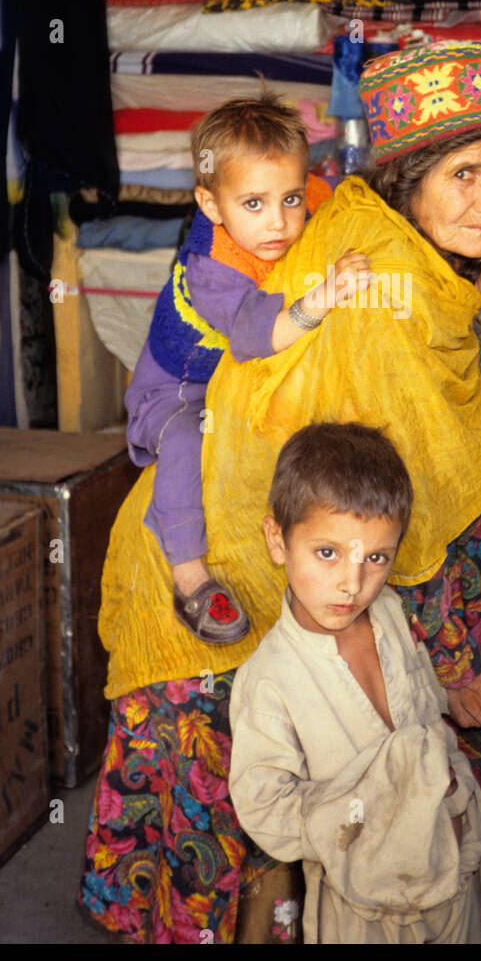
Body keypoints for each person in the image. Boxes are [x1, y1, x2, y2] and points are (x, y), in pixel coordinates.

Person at [80, 41, 481, 944]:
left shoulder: (411, 258)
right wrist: (459, 667)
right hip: (215, 574)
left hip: (291, 558)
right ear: (408, 178)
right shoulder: (378, 283)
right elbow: (400, 516)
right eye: (464, 172)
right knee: (233, 829)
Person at [229, 422, 481, 945]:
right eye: (327, 553)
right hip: (364, 911)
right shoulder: (269, 680)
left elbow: (422, 697)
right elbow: (265, 809)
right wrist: (373, 816)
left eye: (375, 558)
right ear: (277, 540)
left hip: (455, 874)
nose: (352, 584)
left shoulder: (394, 615)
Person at [124, 93, 370, 643]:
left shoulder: (294, 201)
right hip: (176, 393)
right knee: (187, 441)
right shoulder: (212, 271)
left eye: (290, 199)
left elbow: (333, 197)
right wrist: (326, 295)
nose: (280, 222)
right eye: (253, 205)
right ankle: (191, 579)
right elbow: (268, 335)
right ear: (210, 206)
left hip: (233, 386)